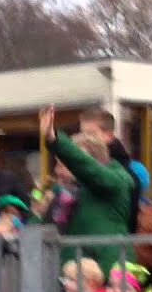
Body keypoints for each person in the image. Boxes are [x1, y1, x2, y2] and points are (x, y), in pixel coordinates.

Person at [41, 105, 133, 277]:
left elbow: (91, 171)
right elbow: (43, 224)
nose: (67, 168)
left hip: (109, 270)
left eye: (73, 162)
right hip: (75, 275)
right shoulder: (68, 190)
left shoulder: (117, 179)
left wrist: (55, 140)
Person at [78, 108, 145, 233]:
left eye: (91, 133)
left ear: (108, 135)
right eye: (83, 133)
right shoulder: (85, 165)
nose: (85, 138)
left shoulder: (122, 172)